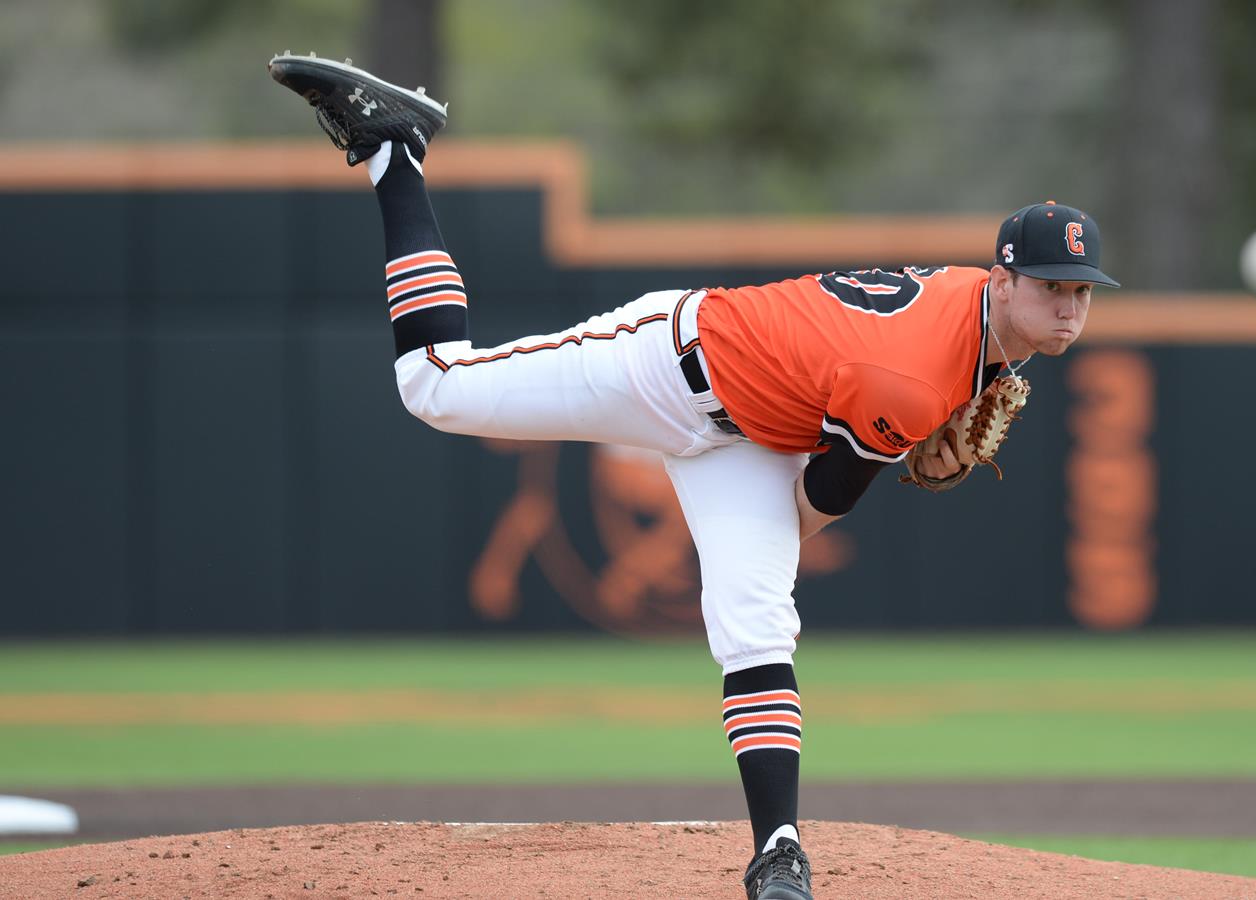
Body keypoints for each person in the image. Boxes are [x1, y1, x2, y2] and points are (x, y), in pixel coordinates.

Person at [268, 53, 1118, 900]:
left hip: (755, 435)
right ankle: (396, 152)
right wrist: (885, 449)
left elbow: (873, 401)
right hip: (669, 366)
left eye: (1082, 291)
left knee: (757, 626)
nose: (1069, 307)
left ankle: (778, 851)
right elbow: (820, 502)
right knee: (435, 387)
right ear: (1001, 280)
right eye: (1051, 287)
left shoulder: (977, 317)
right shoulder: (912, 380)